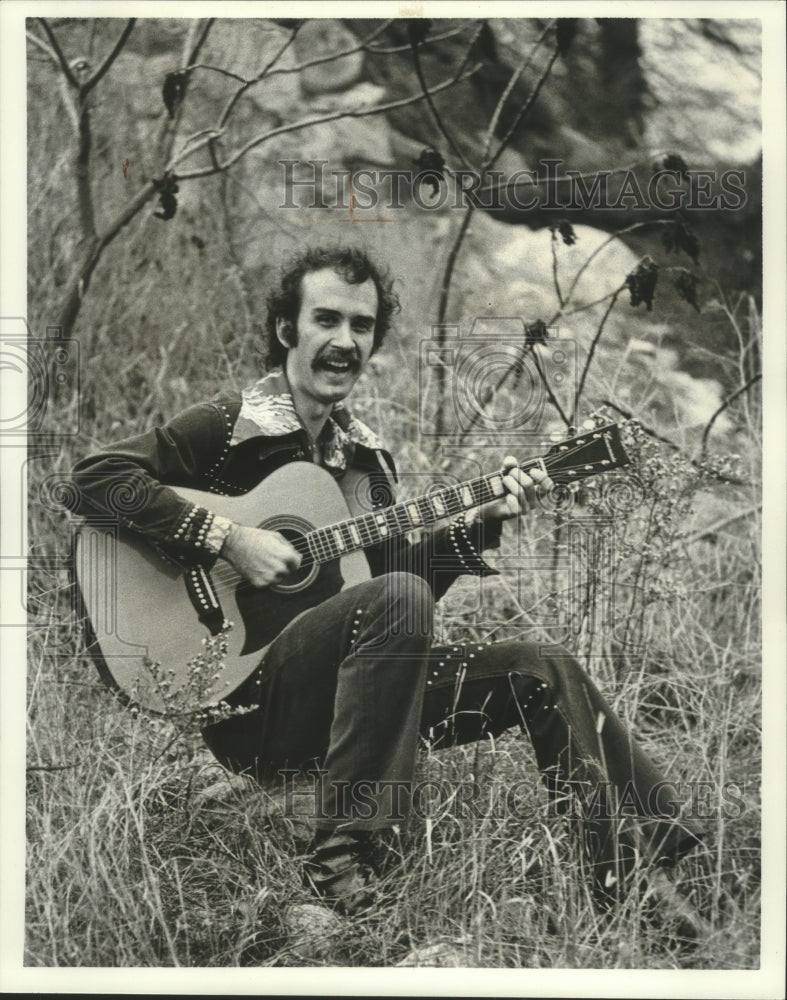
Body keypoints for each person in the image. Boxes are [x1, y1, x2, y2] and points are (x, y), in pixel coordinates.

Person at [69, 246, 708, 939]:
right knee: (398, 593)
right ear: (288, 329)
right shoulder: (230, 424)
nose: (344, 341)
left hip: (346, 699)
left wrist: (479, 526)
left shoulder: (368, 464)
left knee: (540, 666)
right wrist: (228, 538)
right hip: (250, 706)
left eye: (362, 326)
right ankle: (344, 853)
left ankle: (642, 871)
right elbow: (95, 478)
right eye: (326, 319)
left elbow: (395, 606)